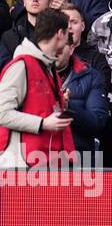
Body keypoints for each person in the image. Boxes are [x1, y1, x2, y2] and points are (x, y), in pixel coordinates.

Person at [0, 9, 74, 169]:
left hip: (43, 164)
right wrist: (43, 123)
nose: (70, 39)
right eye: (68, 32)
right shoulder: (21, 66)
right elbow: (2, 113)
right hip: (20, 167)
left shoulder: (47, 67)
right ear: (60, 33)